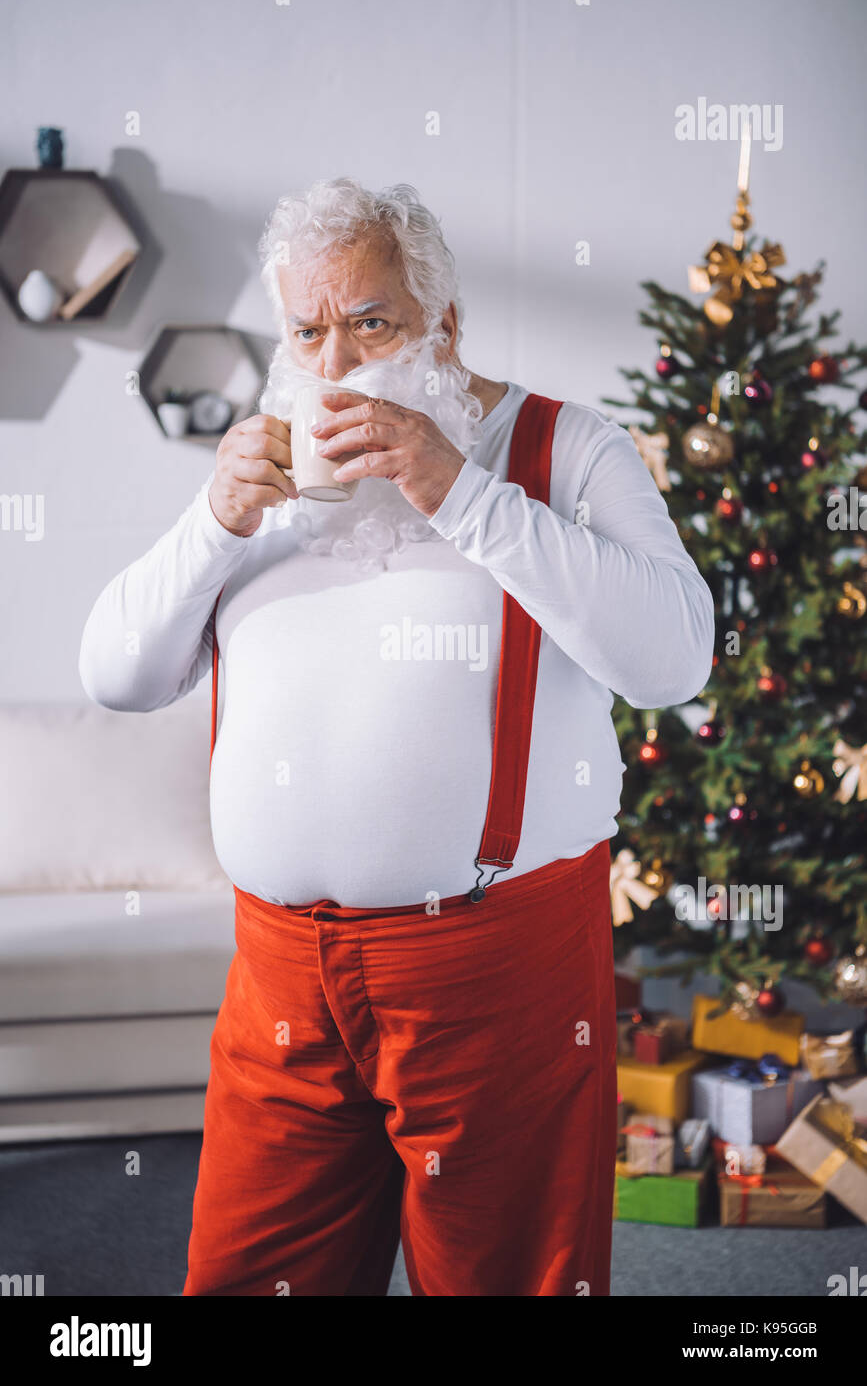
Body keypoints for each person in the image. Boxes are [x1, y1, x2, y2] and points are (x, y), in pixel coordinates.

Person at [79, 177, 715, 1296]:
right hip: (277, 972)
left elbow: (676, 658)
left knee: (507, 1279)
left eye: (370, 322)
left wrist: (457, 490)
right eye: (307, 329)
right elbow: (117, 675)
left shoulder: (567, 450)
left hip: (493, 965)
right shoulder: (258, 478)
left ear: (445, 325)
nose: (333, 364)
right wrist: (212, 521)